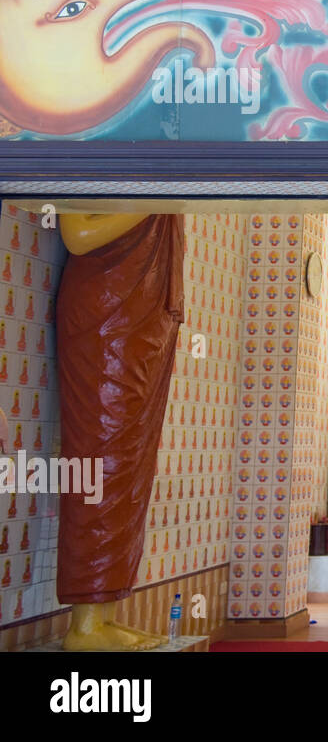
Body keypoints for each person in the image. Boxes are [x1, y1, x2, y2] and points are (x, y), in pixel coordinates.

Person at [56, 213, 184, 650]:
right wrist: (154, 197)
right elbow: (77, 235)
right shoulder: (91, 146)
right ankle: (84, 625)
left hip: (145, 322)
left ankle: (104, 614)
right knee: (100, 461)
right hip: (106, 319)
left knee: (129, 469)